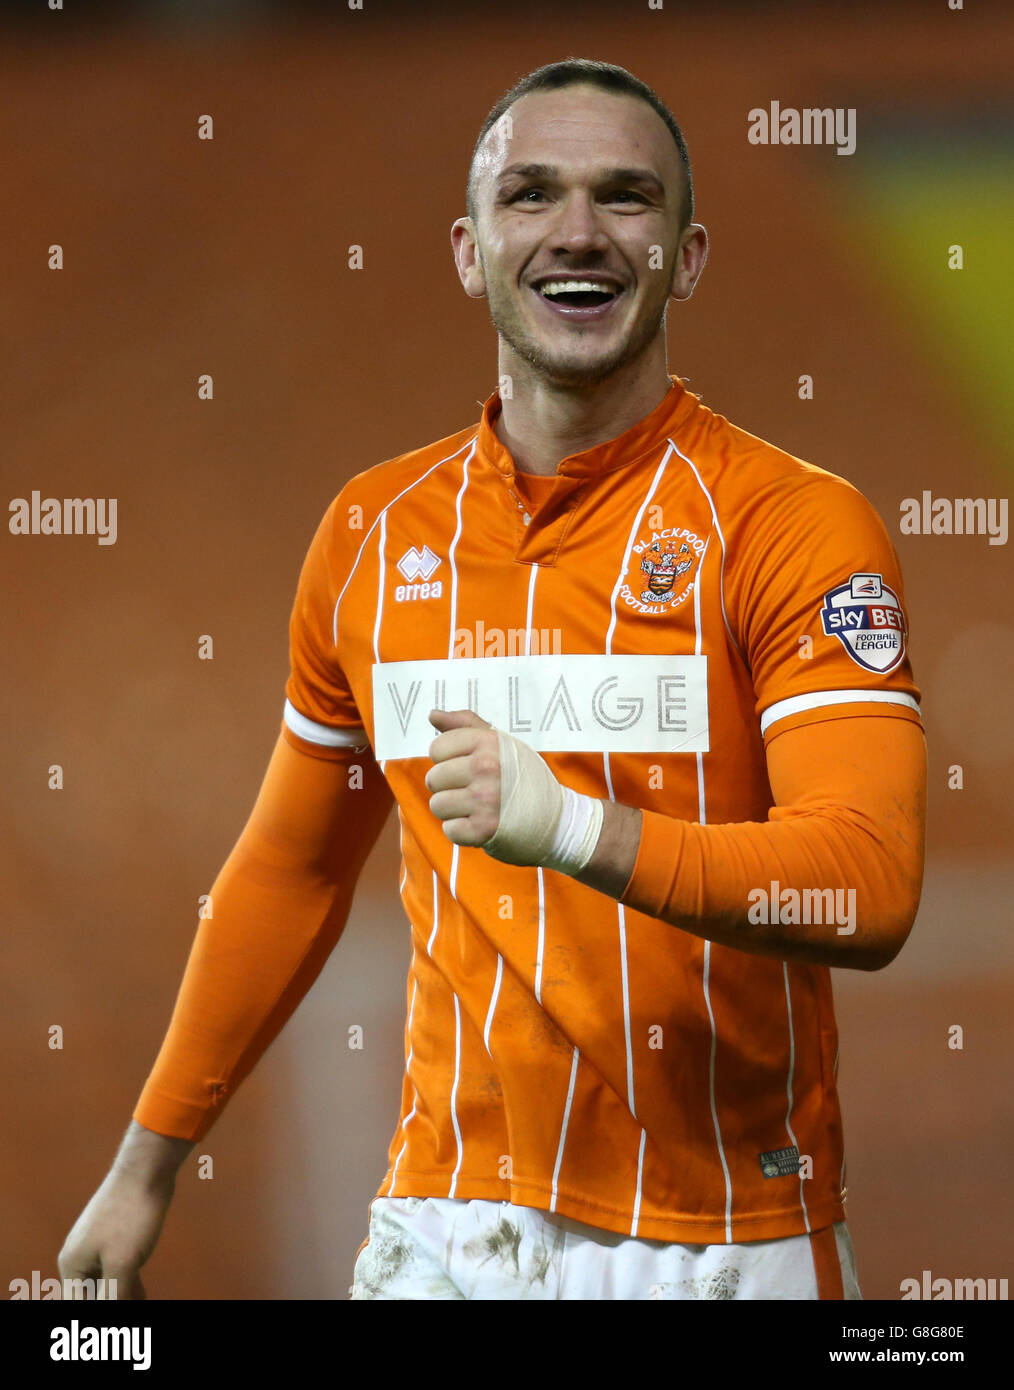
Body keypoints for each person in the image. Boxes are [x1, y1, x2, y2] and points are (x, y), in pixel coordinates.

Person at [59, 59, 925, 1301]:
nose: (579, 233)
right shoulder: (372, 533)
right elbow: (292, 869)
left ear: (685, 257)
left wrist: (573, 827)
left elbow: (870, 884)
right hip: (450, 1228)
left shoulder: (793, 525)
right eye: (533, 195)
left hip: (730, 1233)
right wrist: (147, 1162)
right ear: (469, 251)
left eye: (627, 199)